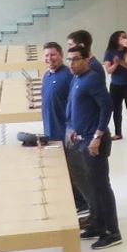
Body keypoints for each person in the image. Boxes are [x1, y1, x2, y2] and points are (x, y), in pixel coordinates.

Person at [65, 44, 122, 250]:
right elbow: (76, 107)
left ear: (86, 60)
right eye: (69, 60)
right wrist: (73, 127)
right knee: (92, 186)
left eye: (75, 59)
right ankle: (99, 225)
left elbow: (107, 107)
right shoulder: (76, 79)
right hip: (82, 139)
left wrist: (97, 136)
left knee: (101, 187)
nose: (71, 63)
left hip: (94, 142)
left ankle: (113, 233)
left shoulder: (92, 79)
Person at [38, 41, 88, 220]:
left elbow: (76, 104)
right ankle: (74, 202)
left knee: (75, 171)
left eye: (53, 54)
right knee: (62, 171)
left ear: (61, 55)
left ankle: (84, 204)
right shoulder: (46, 76)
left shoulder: (68, 76)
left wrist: (73, 128)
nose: (49, 58)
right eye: (46, 55)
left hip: (66, 134)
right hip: (51, 132)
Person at [102, 30, 127, 142]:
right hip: (116, 85)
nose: (125, 39)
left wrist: (120, 62)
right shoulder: (109, 52)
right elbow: (109, 70)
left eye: (126, 37)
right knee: (116, 110)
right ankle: (118, 133)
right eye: (123, 37)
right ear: (116, 40)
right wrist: (116, 64)